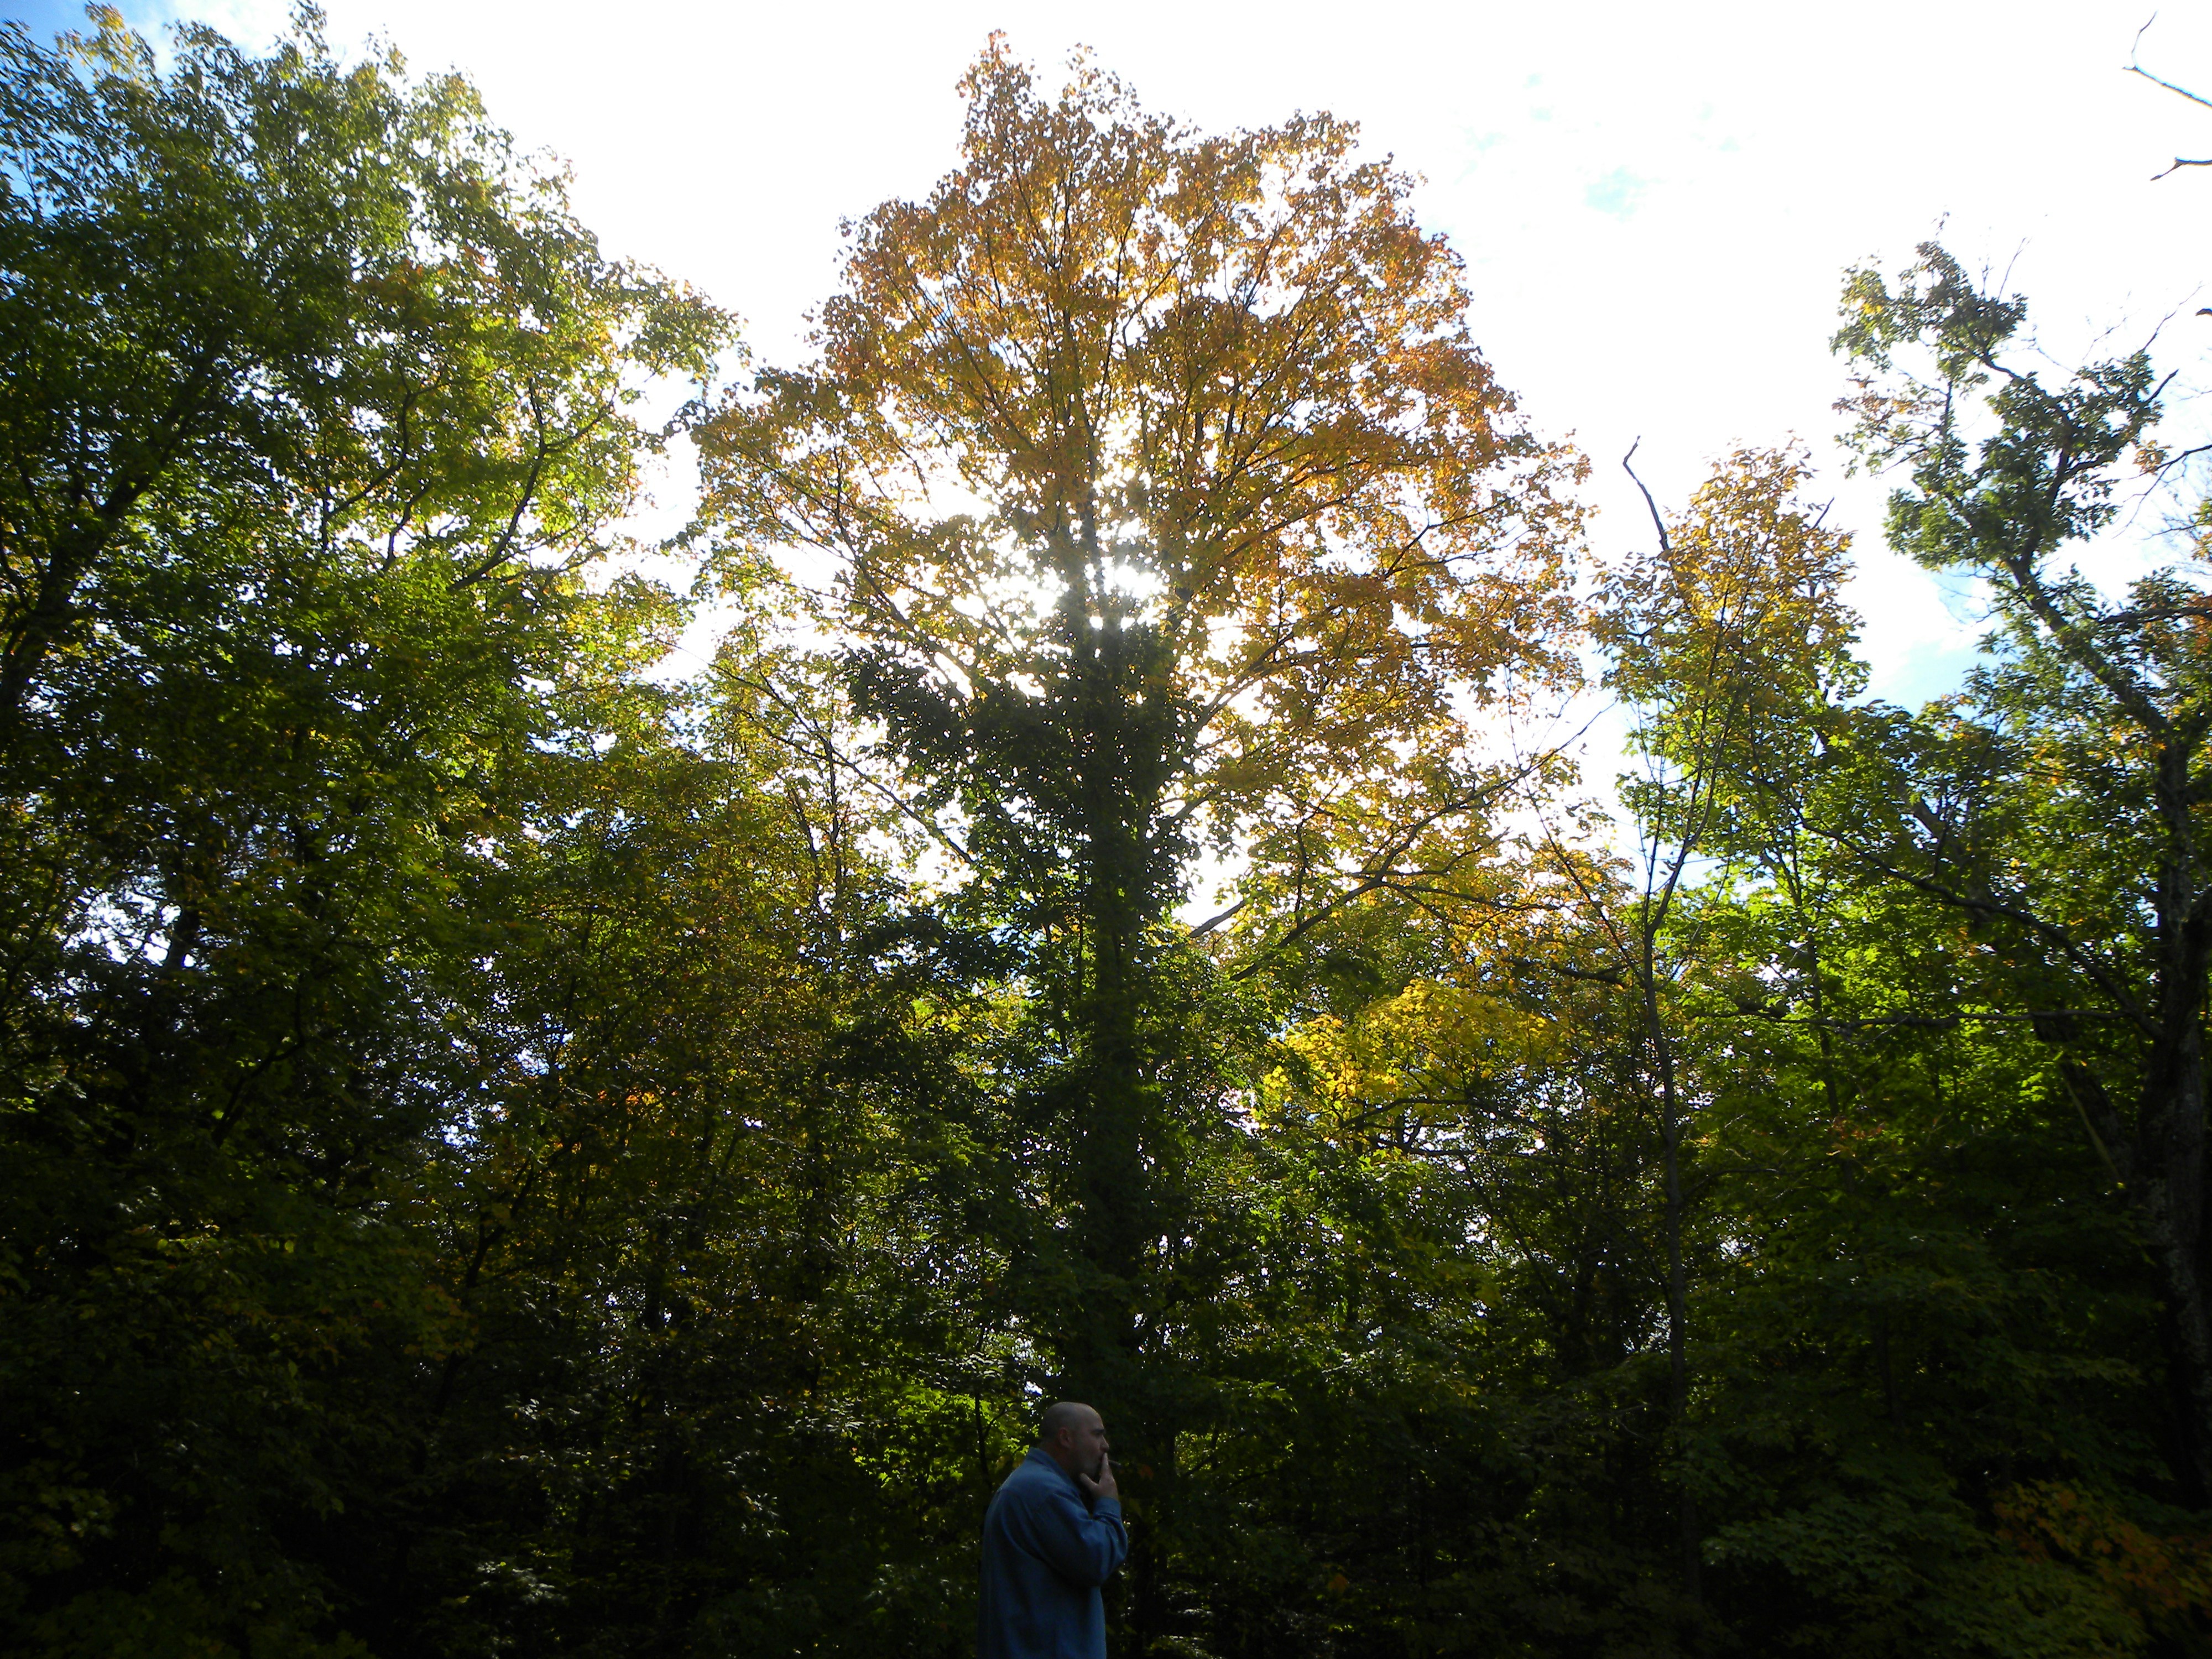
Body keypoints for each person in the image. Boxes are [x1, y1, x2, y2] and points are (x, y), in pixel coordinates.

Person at [978, 1400, 1129, 1659]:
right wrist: (1108, 1504)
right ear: (1066, 1438)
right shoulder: (1045, 1493)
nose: (1106, 1446)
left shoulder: (1030, 1485)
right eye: (1097, 1435)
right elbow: (1097, 1559)